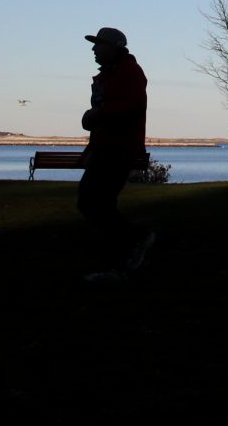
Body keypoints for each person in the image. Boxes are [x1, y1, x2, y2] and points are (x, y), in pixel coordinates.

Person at [79, 26, 154, 283]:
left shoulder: (129, 72)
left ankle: (132, 243)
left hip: (117, 148)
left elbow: (129, 106)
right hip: (105, 146)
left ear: (114, 47)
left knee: (94, 202)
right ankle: (122, 251)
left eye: (99, 44)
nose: (94, 49)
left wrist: (98, 115)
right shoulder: (108, 75)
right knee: (93, 202)